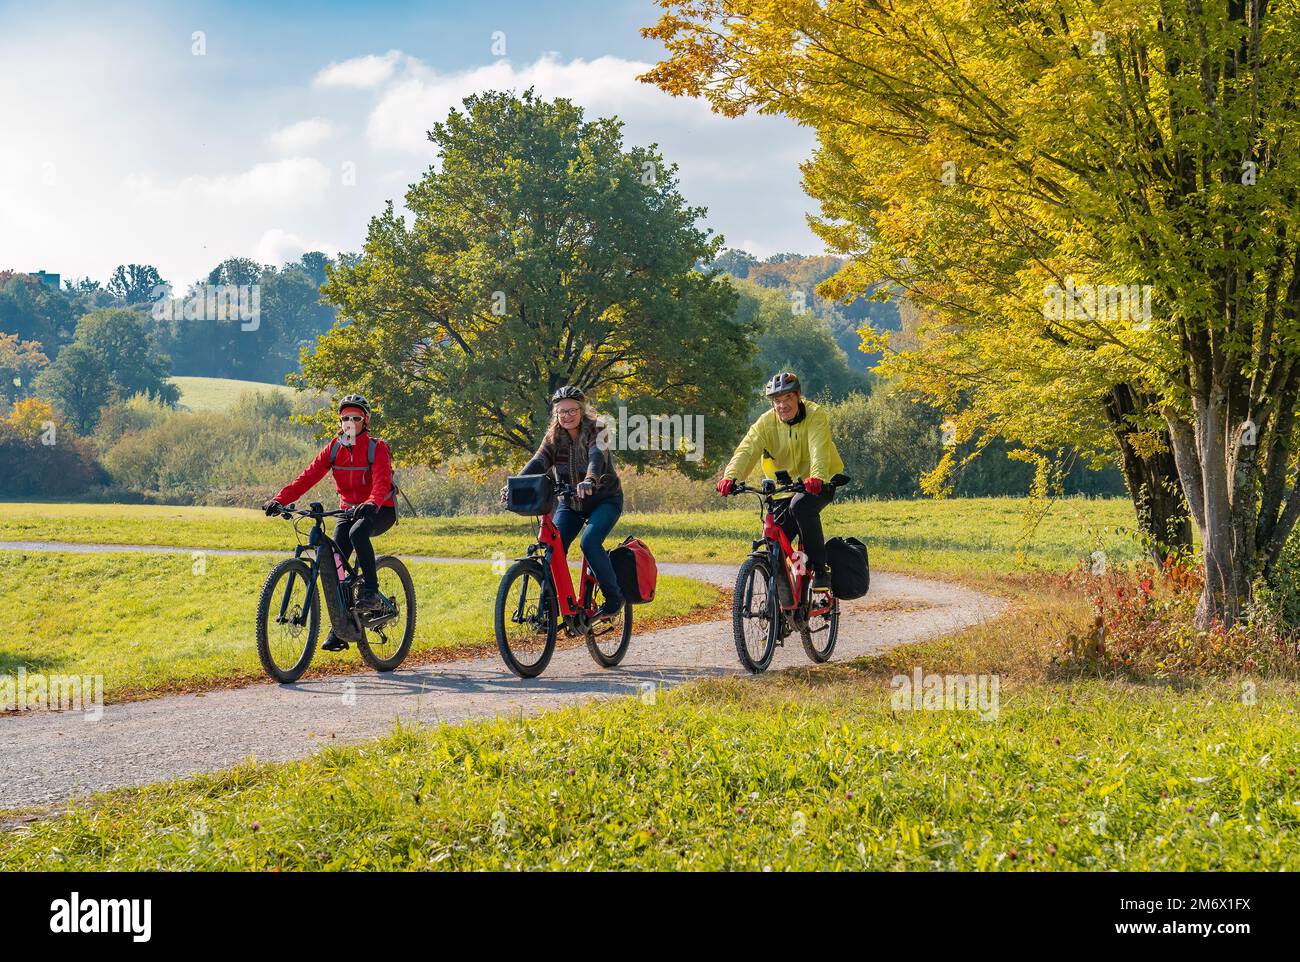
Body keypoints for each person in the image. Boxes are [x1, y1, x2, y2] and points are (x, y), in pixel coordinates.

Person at [262, 394, 396, 650]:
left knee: (358, 534)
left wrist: (371, 502)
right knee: (335, 565)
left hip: (380, 509)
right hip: (348, 510)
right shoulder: (334, 448)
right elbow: (308, 477)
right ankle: (341, 628)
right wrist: (279, 500)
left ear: (365, 421)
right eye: (345, 418)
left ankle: (371, 591)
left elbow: (381, 481)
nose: (349, 422)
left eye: (355, 418)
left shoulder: (376, 447)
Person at [504, 385, 625, 618]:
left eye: (571, 411)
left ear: (581, 410)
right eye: (561, 412)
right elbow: (538, 463)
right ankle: (547, 613)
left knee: (589, 543)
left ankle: (614, 597)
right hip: (570, 504)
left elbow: (596, 458)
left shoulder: (597, 429)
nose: (566, 416)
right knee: (552, 551)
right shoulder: (553, 436)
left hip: (604, 500)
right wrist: (514, 486)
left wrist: (589, 480)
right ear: (556, 414)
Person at [716, 372, 845, 589]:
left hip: (819, 483)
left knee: (801, 507)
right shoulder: (766, 423)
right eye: (777, 401)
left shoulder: (815, 415)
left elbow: (818, 448)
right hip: (784, 488)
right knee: (775, 540)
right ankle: (784, 603)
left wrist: (818, 476)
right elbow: (746, 450)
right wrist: (730, 477)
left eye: (787, 399)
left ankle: (820, 569)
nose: (782, 406)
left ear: (798, 397)